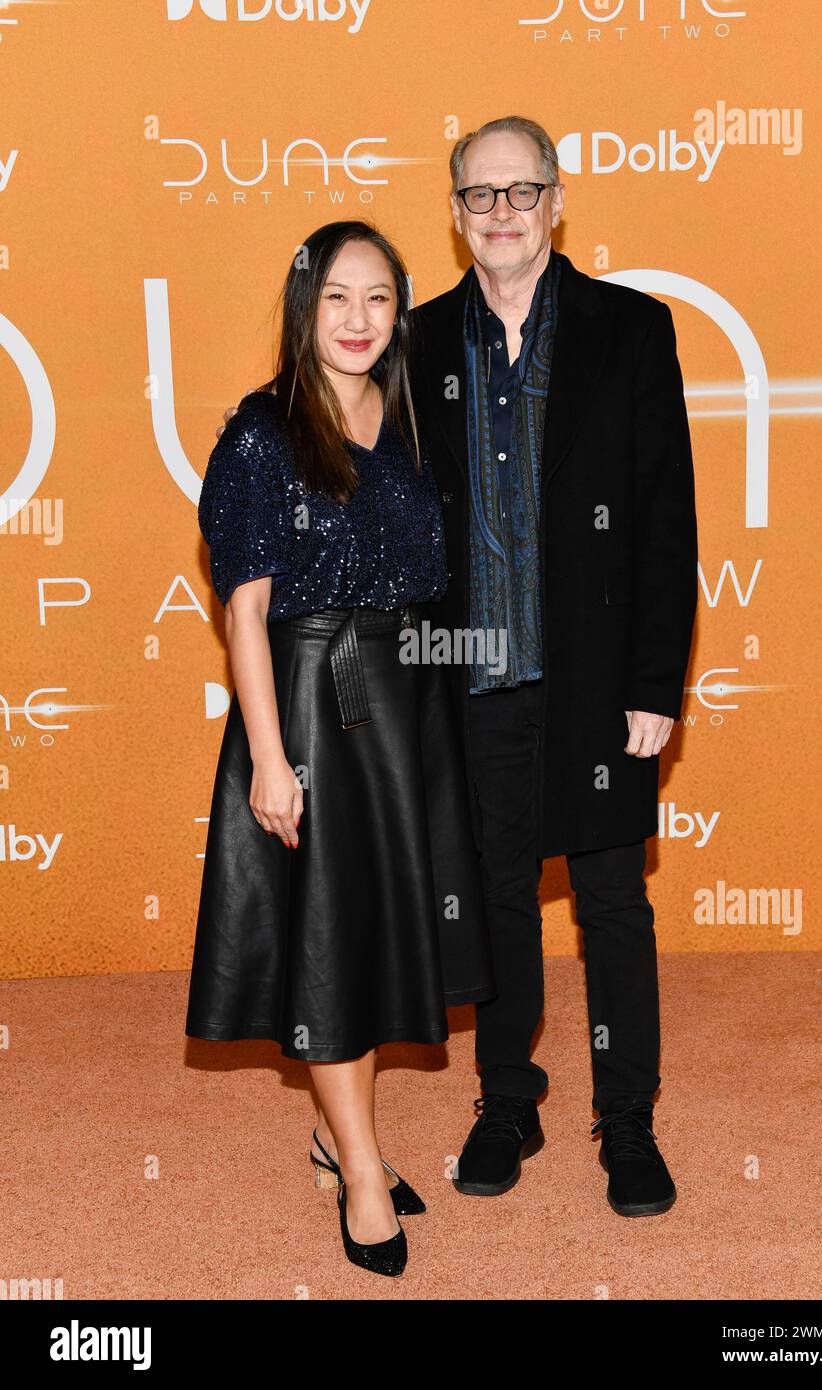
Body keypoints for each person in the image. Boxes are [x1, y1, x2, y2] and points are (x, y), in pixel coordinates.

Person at [220, 115, 699, 1221]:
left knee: (613, 901)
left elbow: (666, 519)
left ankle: (626, 1120)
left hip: (594, 684)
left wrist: (651, 686)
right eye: (478, 195)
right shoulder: (417, 343)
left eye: (520, 190)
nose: (501, 212)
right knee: (491, 904)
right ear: (453, 212)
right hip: (462, 680)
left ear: (556, 198)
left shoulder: (632, 331)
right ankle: (506, 1099)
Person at [186, 220, 496, 1278]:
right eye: (337, 299)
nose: (359, 321)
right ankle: (361, 1172)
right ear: (302, 308)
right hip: (314, 711)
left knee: (369, 943)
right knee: (326, 944)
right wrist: (273, 761)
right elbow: (245, 609)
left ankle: (336, 1137)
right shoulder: (261, 434)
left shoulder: (411, 424)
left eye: (378, 299)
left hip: (405, 711)